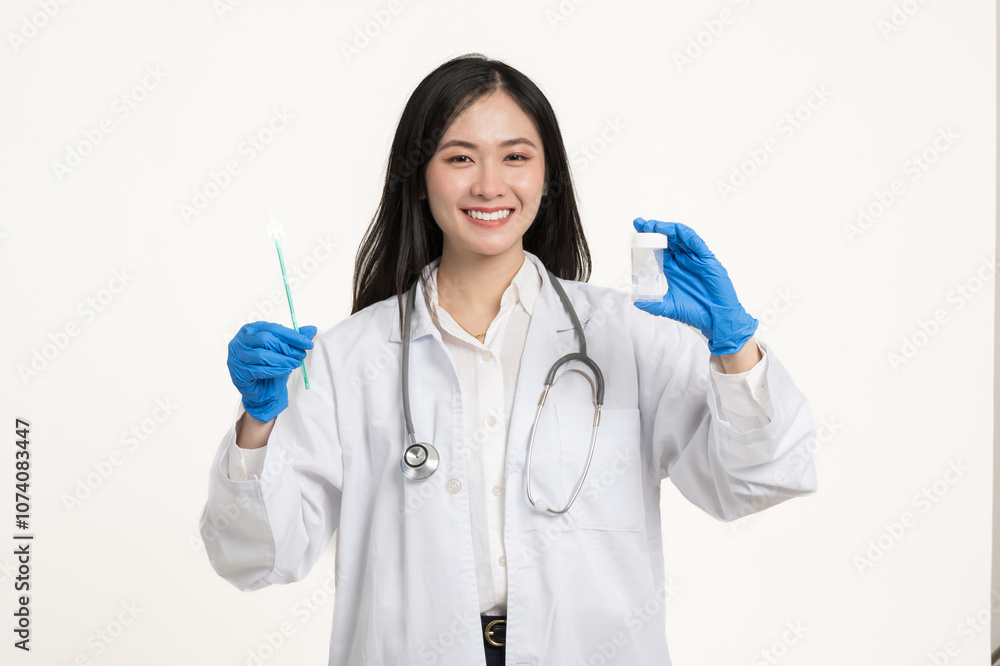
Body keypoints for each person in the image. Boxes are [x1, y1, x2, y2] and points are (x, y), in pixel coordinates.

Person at [200, 52, 818, 666]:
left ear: (548, 177)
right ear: (419, 176)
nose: (489, 184)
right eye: (459, 157)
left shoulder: (626, 337)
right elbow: (258, 558)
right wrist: (257, 425)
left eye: (516, 157)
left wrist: (735, 347)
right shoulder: (347, 358)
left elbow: (757, 482)